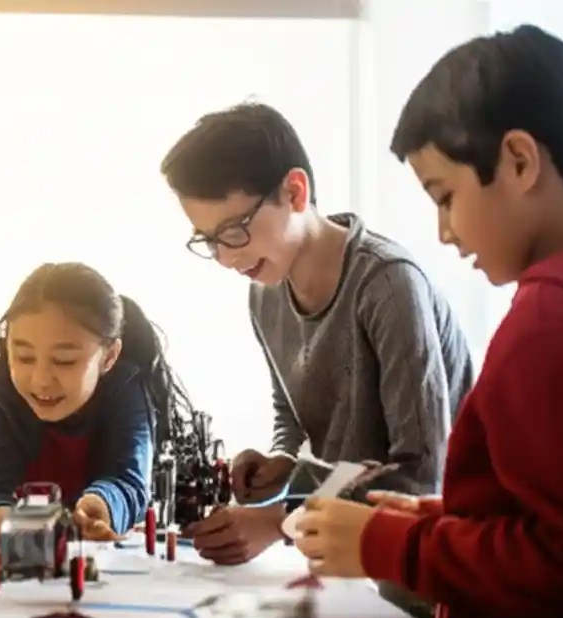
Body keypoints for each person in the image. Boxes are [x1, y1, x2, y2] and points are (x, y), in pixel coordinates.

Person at [295, 25, 563, 618]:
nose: (443, 232)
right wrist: (462, 517)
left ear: (519, 161)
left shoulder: (552, 326)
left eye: (444, 195)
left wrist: (387, 543)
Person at [158, 103, 473, 574]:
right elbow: (295, 413)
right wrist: (282, 463)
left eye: (234, 231)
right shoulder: (265, 291)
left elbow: (422, 474)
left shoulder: (388, 285)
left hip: (434, 557)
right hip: (353, 557)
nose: (224, 258)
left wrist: (281, 519)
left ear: (294, 191)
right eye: (208, 240)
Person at [0, 262, 175, 545]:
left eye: (64, 361)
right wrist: (17, 527)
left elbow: (129, 482)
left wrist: (101, 506)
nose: (40, 380)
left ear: (109, 357)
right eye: (24, 357)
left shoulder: (125, 390)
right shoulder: (2, 389)